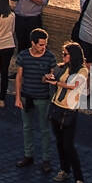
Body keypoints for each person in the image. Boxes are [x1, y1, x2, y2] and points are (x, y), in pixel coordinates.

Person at [47, 41, 90, 183]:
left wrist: (56, 83)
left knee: (68, 145)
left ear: (73, 56)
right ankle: (64, 170)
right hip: (56, 106)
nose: (63, 56)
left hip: (69, 109)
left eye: (65, 54)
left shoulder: (83, 71)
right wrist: (49, 78)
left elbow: (74, 85)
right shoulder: (62, 67)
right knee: (59, 142)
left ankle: (79, 178)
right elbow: (53, 77)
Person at [14, 27, 57, 169]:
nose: (43, 47)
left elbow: (52, 78)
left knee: (45, 129)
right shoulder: (23, 56)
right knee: (27, 128)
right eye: (41, 45)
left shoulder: (50, 57)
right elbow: (19, 77)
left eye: (45, 44)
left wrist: (47, 79)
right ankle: (28, 155)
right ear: (33, 43)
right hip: (27, 97)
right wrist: (18, 97)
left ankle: (46, 159)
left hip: (43, 98)